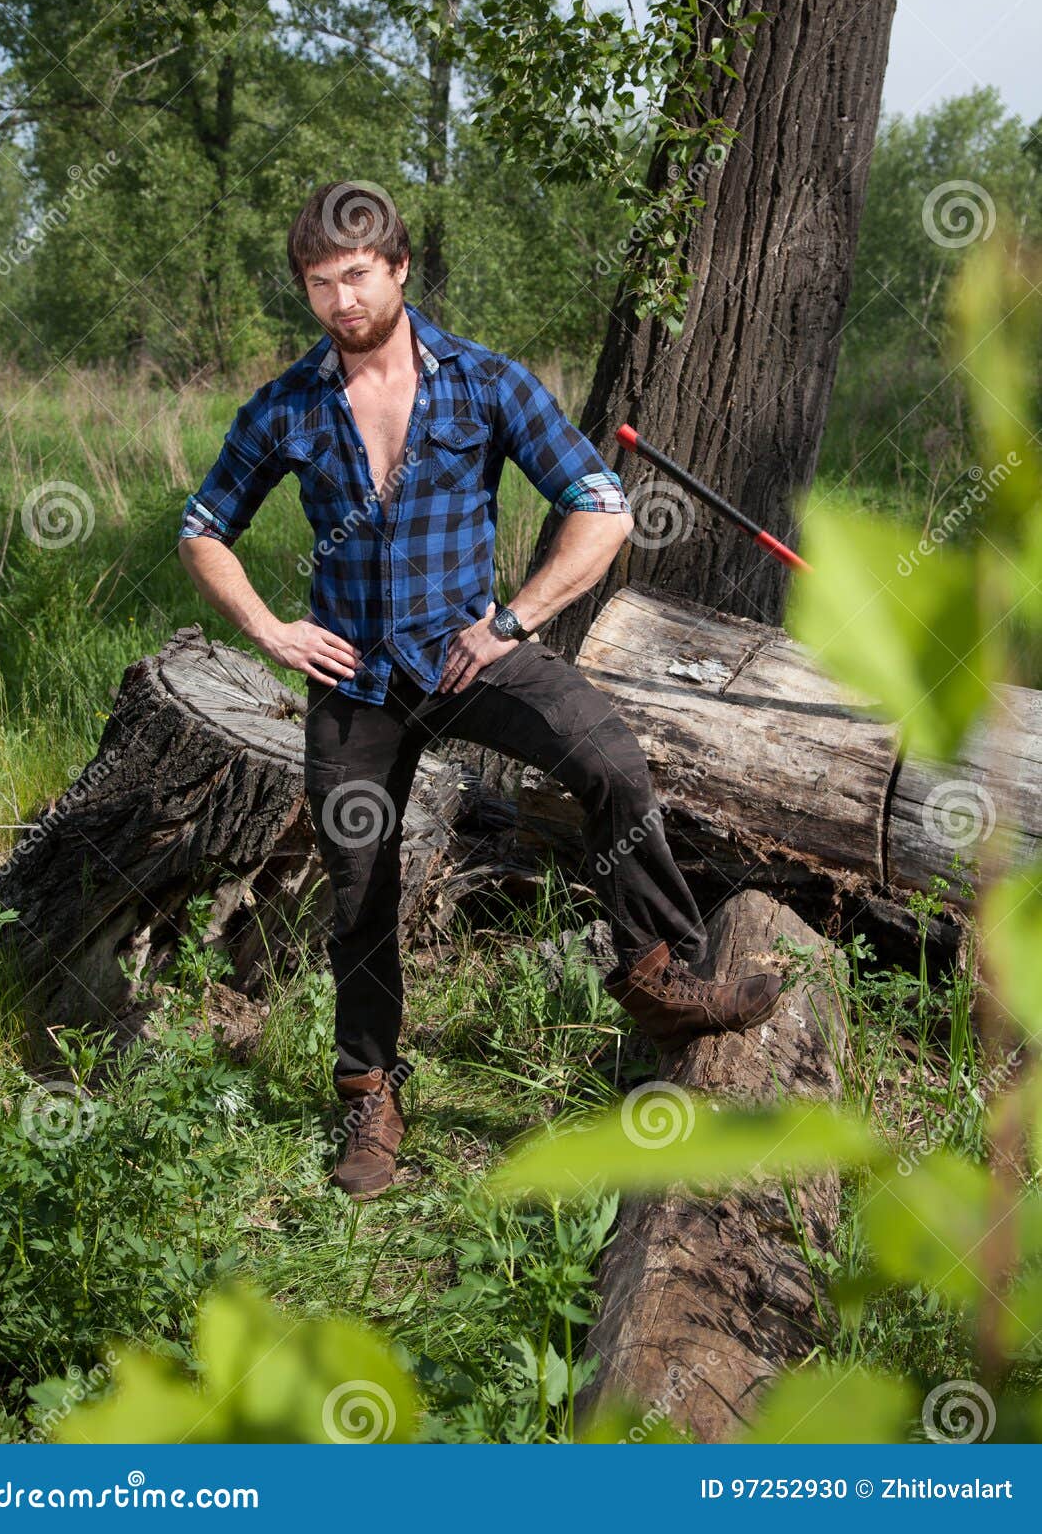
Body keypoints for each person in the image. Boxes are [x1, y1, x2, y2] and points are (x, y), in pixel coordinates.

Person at [178, 179, 783, 1201]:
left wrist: (514, 619)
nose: (341, 302)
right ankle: (369, 1091)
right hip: (356, 678)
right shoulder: (286, 404)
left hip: (469, 657)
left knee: (608, 764)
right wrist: (271, 629)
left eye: (357, 277)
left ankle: (656, 977)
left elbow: (599, 506)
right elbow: (202, 528)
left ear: (399, 270)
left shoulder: (484, 383)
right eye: (320, 285)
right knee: (359, 882)